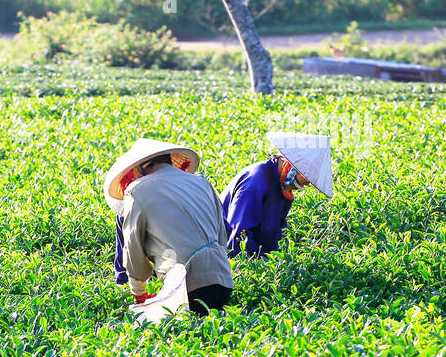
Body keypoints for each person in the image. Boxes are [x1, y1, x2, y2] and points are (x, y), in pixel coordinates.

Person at [104, 138, 234, 316]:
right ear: (169, 159)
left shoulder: (137, 190)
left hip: (185, 286)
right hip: (223, 280)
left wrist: (138, 291)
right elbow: (221, 236)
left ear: (140, 167)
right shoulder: (203, 183)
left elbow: (132, 248)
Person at [223, 132, 333, 258]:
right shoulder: (255, 184)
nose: (308, 183)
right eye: (307, 175)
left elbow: (273, 234)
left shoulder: (283, 189)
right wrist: (260, 263)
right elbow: (237, 237)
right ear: (291, 166)